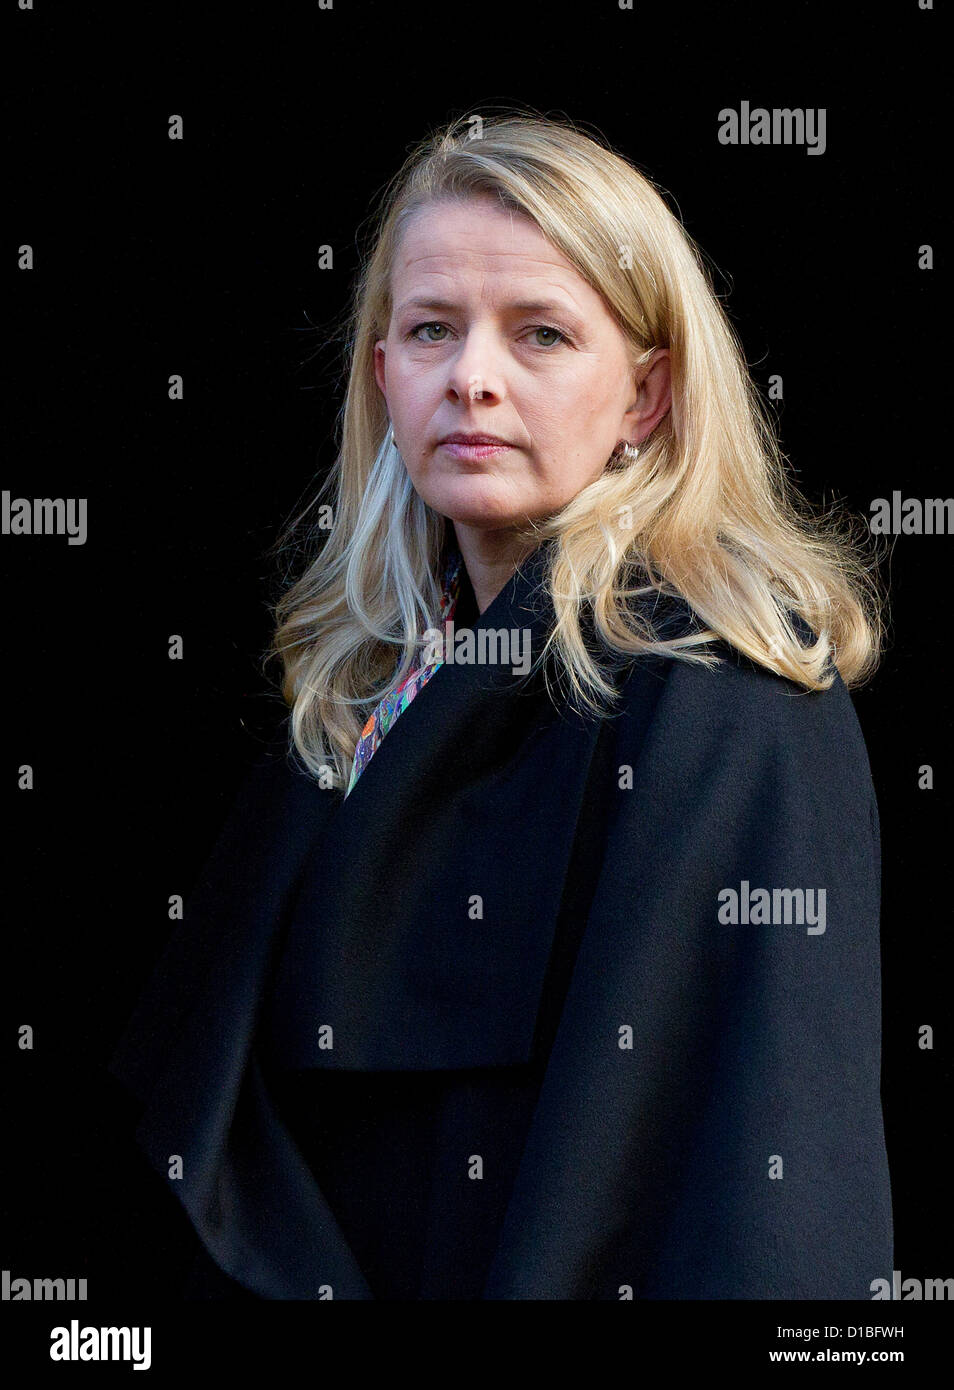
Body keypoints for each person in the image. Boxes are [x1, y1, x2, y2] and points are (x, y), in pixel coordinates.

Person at [107, 110, 894, 1300]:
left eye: (540, 334)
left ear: (645, 394)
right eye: (432, 329)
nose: (472, 376)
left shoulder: (729, 699)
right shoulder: (355, 692)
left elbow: (764, 1188)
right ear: (383, 372)